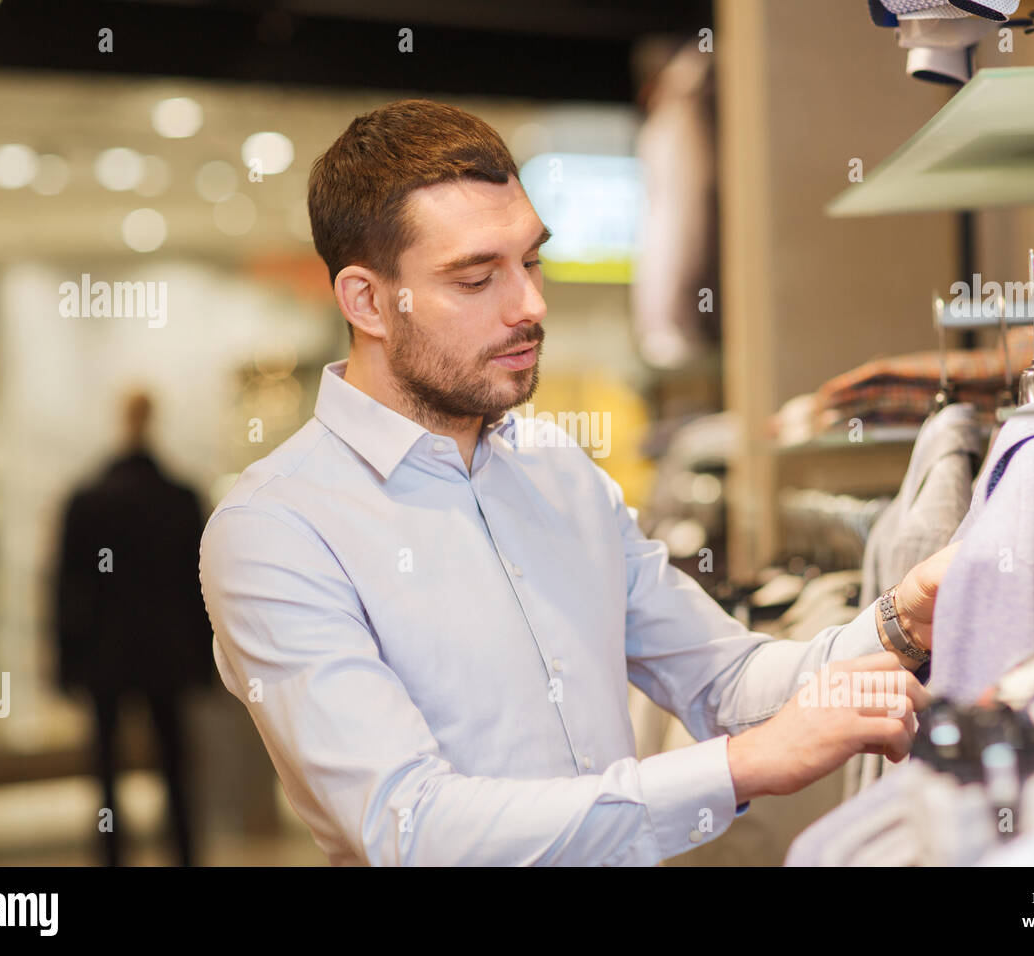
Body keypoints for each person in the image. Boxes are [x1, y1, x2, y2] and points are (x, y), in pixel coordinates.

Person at [199, 98, 958, 866]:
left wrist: (899, 622)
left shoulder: (557, 468)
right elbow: (410, 827)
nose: (530, 306)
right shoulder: (274, 529)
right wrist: (744, 766)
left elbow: (722, 678)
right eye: (475, 279)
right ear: (366, 301)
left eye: (530, 261)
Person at [55, 390, 212, 866]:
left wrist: (68, 661)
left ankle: (111, 855)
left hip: (105, 657)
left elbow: (69, 589)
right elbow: (198, 589)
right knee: (175, 767)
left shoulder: (89, 500)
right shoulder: (179, 500)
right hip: (166, 656)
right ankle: (184, 853)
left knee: (106, 770)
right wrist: (202, 661)